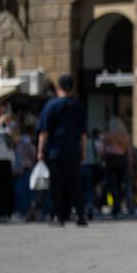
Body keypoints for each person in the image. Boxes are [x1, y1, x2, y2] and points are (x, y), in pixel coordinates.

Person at [37, 74, 89, 227]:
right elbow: (83, 134)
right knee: (75, 184)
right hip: (73, 151)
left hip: (55, 152)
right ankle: (80, 215)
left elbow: (44, 131)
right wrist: (83, 151)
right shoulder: (78, 106)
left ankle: (59, 217)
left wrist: (40, 151)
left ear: (58, 88)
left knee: (56, 185)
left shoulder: (51, 106)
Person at [102, 116, 131, 218]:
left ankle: (116, 206)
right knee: (120, 185)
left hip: (111, 160)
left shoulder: (108, 135)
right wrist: (129, 163)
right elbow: (128, 151)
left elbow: (103, 150)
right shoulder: (124, 135)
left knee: (112, 185)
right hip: (122, 160)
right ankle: (119, 206)